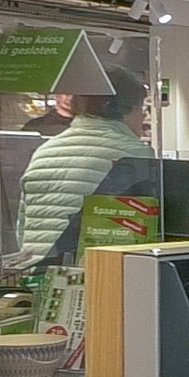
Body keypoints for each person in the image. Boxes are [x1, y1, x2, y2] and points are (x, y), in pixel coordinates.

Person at [16, 67, 155, 268]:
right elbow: (146, 227)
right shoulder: (135, 155)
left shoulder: (45, 151)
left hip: (39, 276)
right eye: (142, 109)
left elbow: (23, 224)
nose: (143, 117)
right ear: (125, 109)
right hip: (97, 276)